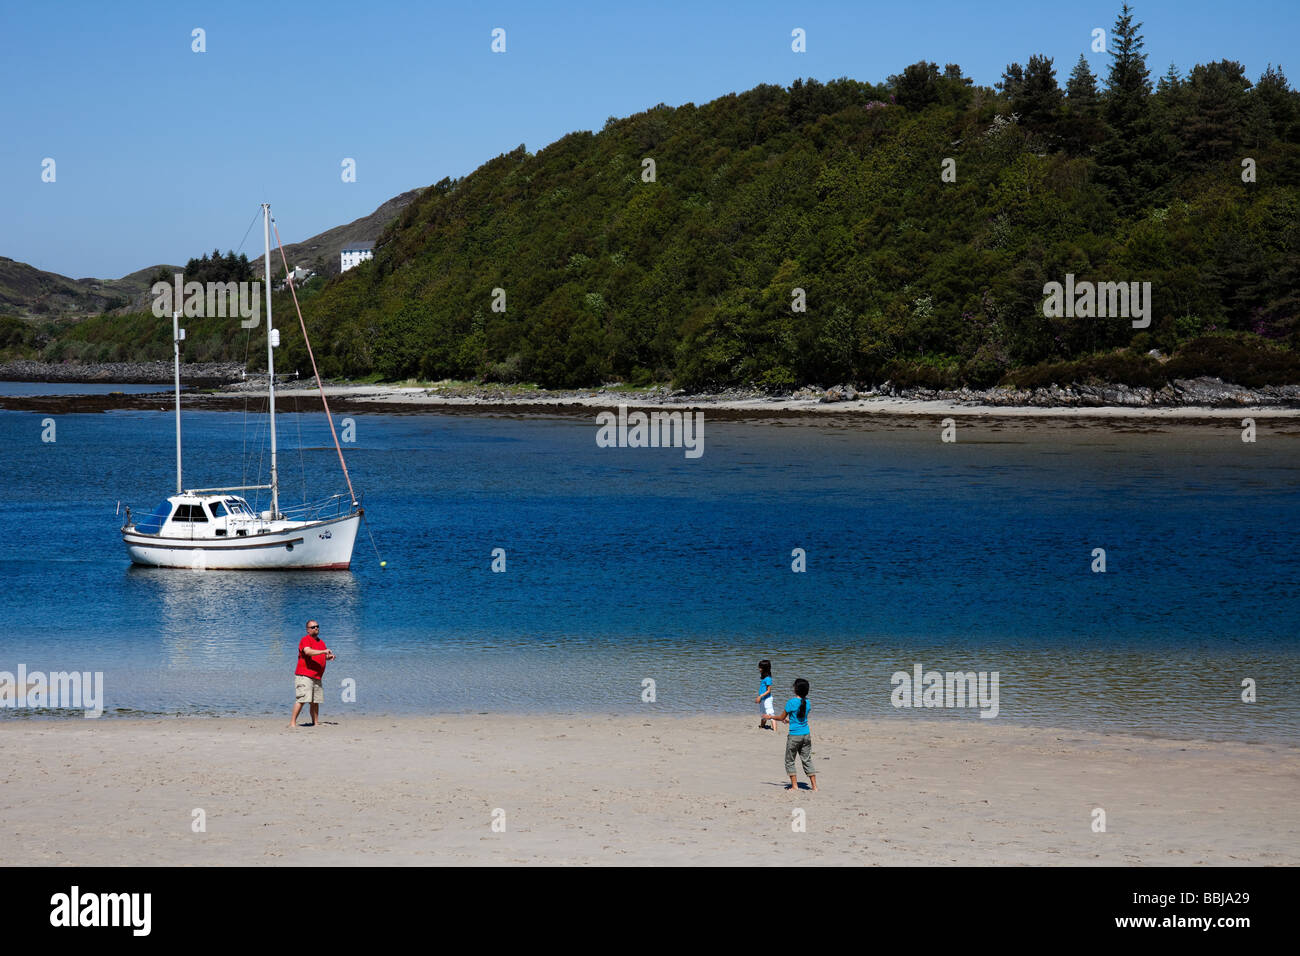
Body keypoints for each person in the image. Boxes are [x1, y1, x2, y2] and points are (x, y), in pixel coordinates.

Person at [770, 677, 817, 790]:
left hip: (794, 736)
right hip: (806, 735)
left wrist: (770, 716)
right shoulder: (808, 703)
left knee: (790, 760)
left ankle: (794, 786)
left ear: (795, 689)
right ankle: (815, 786)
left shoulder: (791, 702)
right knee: (807, 759)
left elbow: (781, 717)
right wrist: (789, 721)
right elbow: (801, 718)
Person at [289, 619, 334, 727]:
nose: (316, 628)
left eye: (317, 626)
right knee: (302, 699)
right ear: (308, 630)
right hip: (305, 675)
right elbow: (308, 652)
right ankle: (292, 723)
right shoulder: (305, 640)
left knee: (315, 701)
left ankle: (316, 722)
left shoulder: (321, 642)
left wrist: (328, 657)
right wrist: (323, 651)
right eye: (313, 627)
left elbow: (321, 656)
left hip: (317, 676)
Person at [755, 659, 774, 730]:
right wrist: (759, 697)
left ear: (764, 669)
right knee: (763, 713)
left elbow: (769, 691)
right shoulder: (764, 678)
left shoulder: (768, 679)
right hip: (763, 698)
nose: (759, 669)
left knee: (770, 714)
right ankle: (762, 726)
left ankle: (775, 730)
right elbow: (762, 690)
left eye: (760, 668)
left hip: (767, 699)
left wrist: (760, 696)